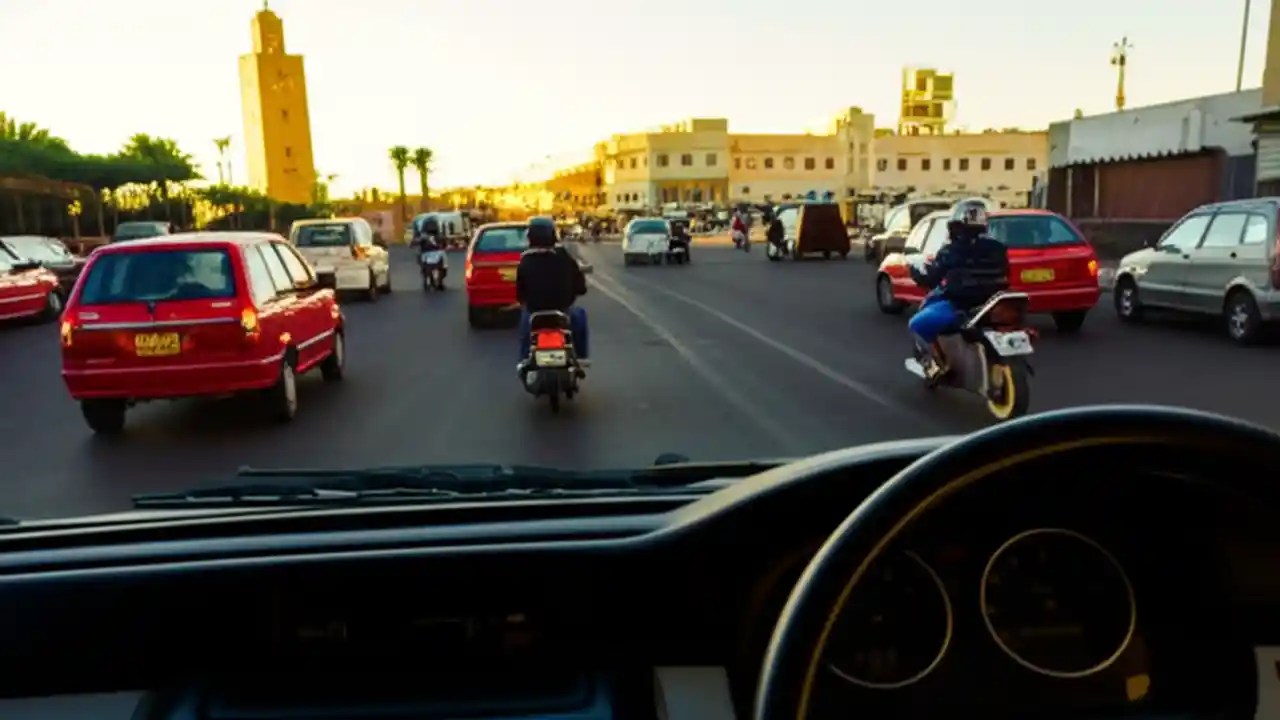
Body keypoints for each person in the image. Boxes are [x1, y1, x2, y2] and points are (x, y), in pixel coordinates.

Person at [907, 198, 1009, 381]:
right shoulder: (998, 248)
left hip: (961, 304)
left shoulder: (951, 251)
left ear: (956, 225)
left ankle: (940, 364)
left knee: (916, 324)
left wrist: (914, 272)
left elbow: (931, 279)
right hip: (994, 302)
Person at [515, 217, 589, 376]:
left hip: (535, 312)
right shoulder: (563, 256)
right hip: (562, 311)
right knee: (580, 317)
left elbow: (520, 293)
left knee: (524, 330)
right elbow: (579, 285)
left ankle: (524, 361)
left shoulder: (525, 260)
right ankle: (581, 358)